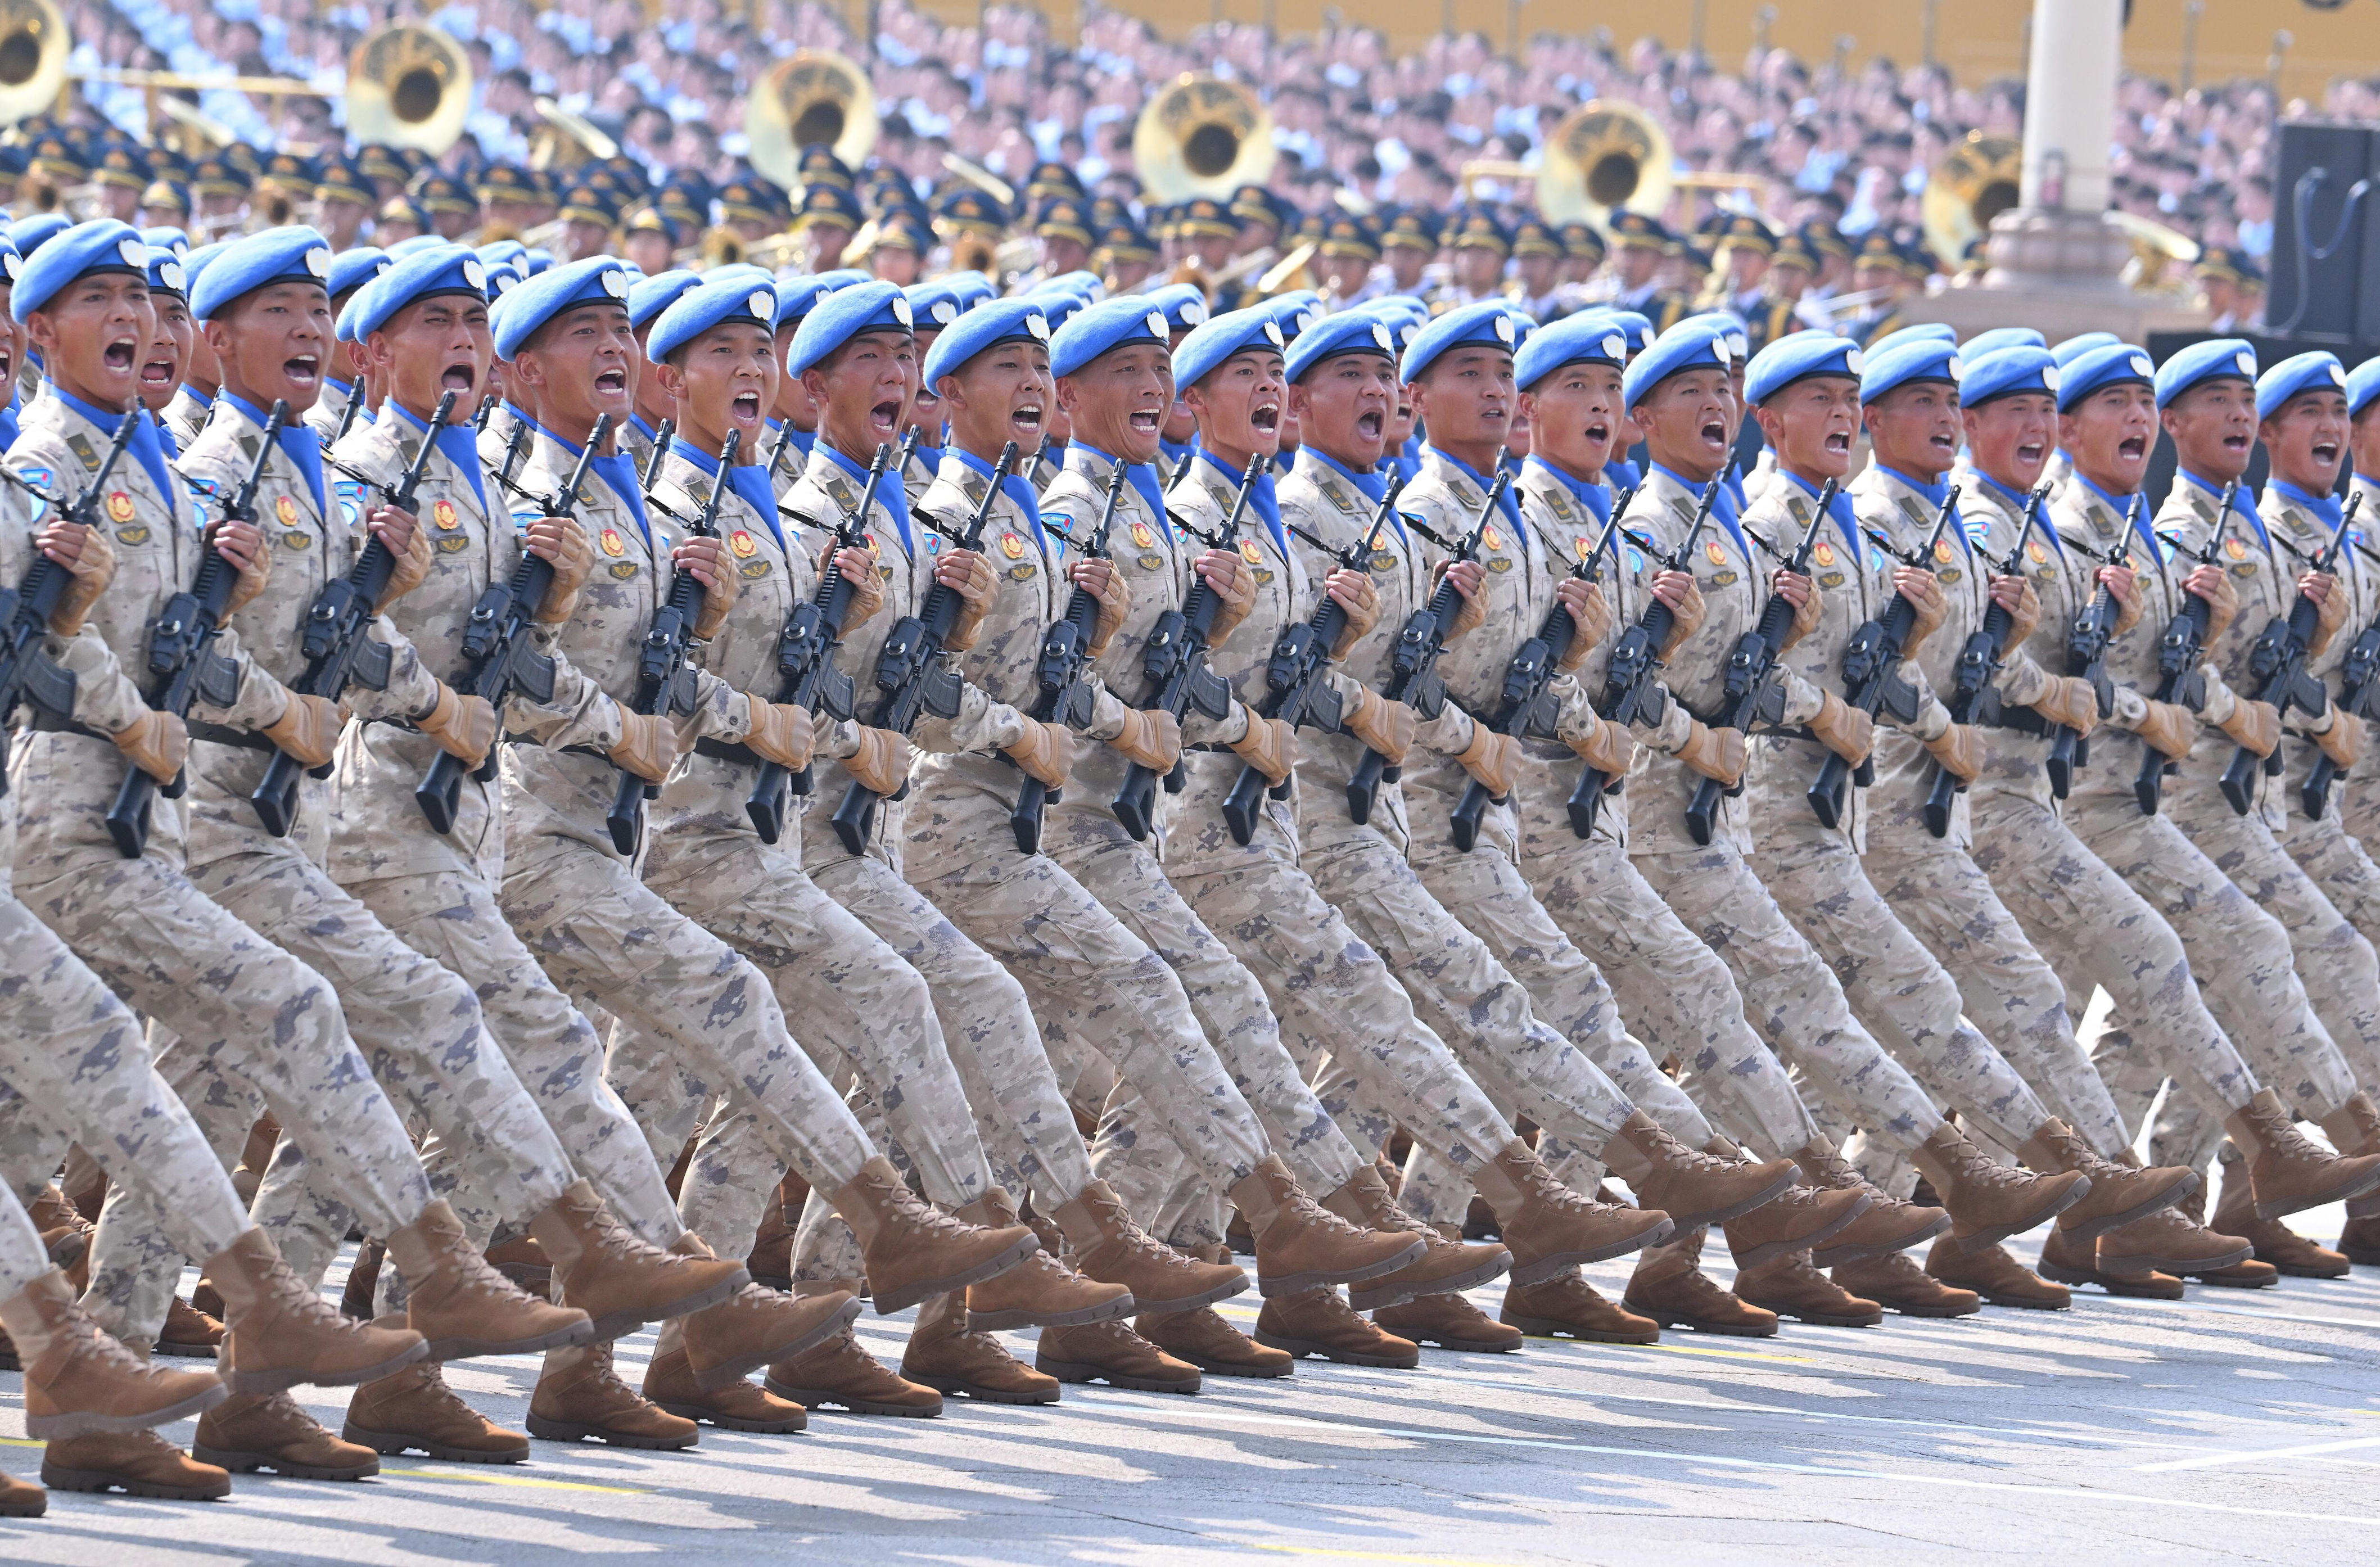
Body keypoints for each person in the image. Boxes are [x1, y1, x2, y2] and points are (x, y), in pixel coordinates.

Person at [482, 257, 1032, 1446]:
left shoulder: (723, 508)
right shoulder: (591, 501)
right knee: (804, 1012)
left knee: (672, 1086)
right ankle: (922, 1231)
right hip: (609, 836)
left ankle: (631, 1345)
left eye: (756, 353)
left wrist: (856, 680)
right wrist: (751, 715)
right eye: (720, 354)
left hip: (698, 836)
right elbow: (601, 680)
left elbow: (788, 677)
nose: (746, 373)